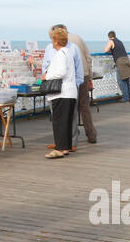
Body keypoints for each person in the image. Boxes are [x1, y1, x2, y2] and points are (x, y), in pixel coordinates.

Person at [41, 26, 83, 157]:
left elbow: (60, 72)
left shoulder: (60, 54)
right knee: (66, 121)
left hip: (62, 93)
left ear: (56, 41)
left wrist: (46, 76)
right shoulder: (68, 53)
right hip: (70, 92)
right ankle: (65, 147)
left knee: (59, 121)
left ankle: (59, 149)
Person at [62, 26, 97, 144]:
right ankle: (91, 134)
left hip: (71, 77)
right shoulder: (78, 38)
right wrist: (90, 77)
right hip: (84, 75)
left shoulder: (61, 41)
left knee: (70, 107)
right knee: (84, 107)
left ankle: (71, 137)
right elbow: (88, 58)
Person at [105, 31, 130, 102]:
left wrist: (110, 50)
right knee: (127, 80)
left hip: (120, 62)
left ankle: (126, 98)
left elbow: (106, 50)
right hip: (126, 60)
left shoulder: (111, 41)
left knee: (121, 81)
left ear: (109, 37)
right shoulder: (120, 41)